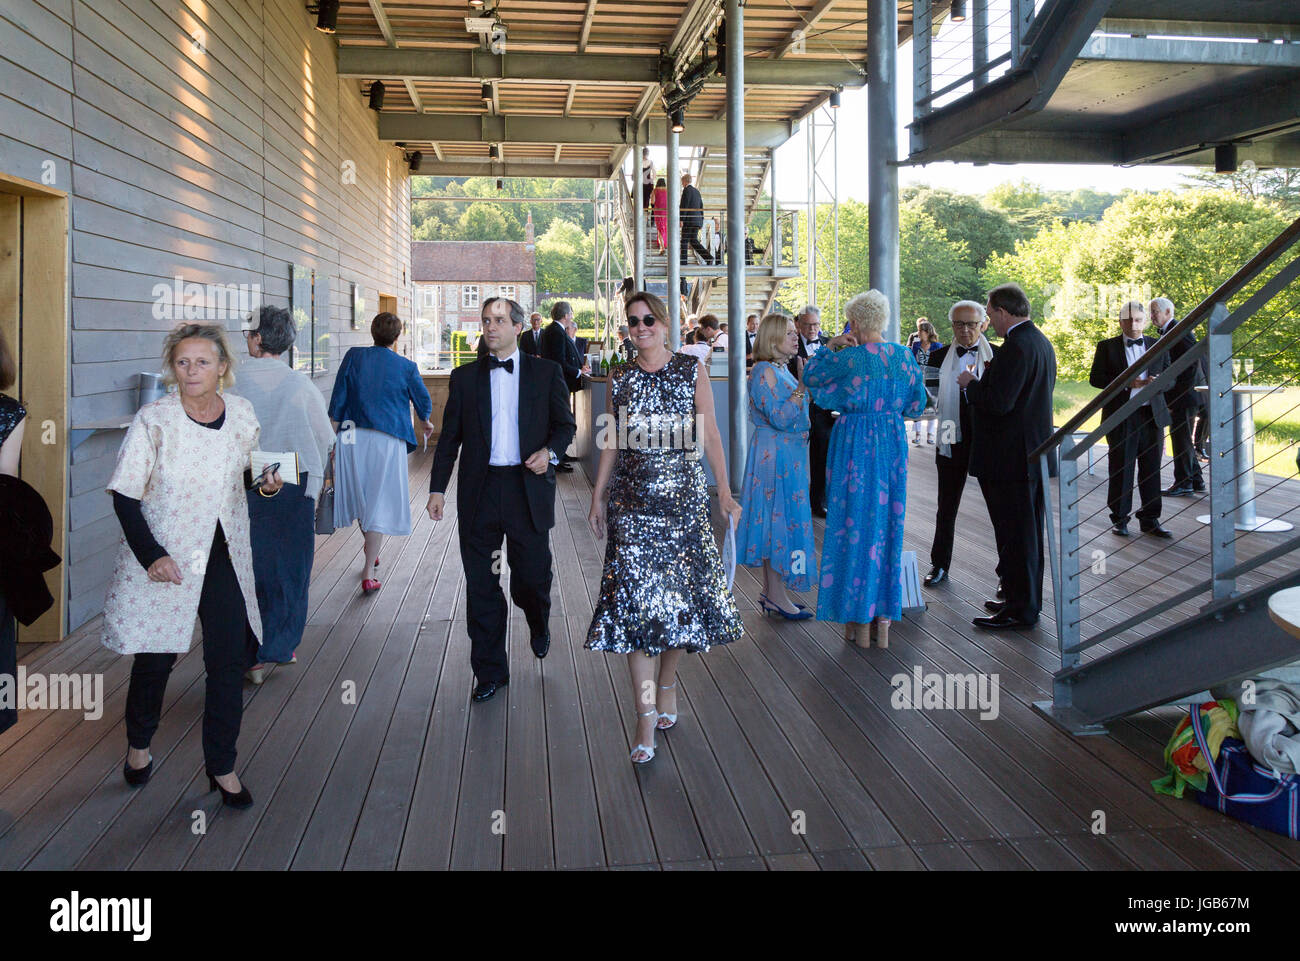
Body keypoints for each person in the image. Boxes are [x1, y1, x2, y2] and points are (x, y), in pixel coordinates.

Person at [104, 323, 284, 808]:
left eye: (202, 362)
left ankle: (222, 766)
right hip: (170, 555)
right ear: (173, 366)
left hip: (224, 552)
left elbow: (247, 473)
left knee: (226, 663)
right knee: (156, 656)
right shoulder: (154, 419)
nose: (191, 371)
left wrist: (265, 483)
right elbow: (124, 494)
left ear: (222, 367)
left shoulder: (241, 412)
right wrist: (152, 555)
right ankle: (139, 745)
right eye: (183, 362)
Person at [586, 291, 743, 764]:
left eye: (648, 319)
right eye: (633, 322)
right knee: (635, 609)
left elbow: (710, 431)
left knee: (679, 608)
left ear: (664, 322)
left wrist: (725, 490)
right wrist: (597, 495)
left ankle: (669, 682)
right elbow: (612, 437)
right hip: (632, 506)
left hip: (683, 504)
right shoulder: (622, 376)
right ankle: (645, 716)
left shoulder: (689, 369)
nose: (641, 327)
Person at [428, 297, 576, 703]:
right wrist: (437, 489)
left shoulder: (546, 374)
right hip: (480, 491)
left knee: (530, 576)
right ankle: (490, 671)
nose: (490, 326)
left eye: (498, 320)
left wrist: (551, 452)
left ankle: (537, 618)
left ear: (517, 327)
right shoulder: (464, 378)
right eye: (485, 320)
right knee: (481, 585)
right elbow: (449, 441)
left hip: (527, 487)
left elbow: (565, 426)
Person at [804, 291, 927, 649]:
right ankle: (883, 621)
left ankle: (856, 619)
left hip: (855, 441)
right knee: (887, 525)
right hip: (890, 441)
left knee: (852, 524)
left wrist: (831, 344)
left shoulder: (850, 358)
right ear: (883, 320)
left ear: (854, 323)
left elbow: (812, 376)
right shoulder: (904, 356)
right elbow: (917, 404)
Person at [230, 306, 335, 683]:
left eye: (248, 333)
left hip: (241, 481)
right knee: (289, 567)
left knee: (245, 568)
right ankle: (279, 645)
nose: (246, 338)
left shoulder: (231, 380)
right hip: (291, 481)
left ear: (258, 339)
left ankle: (250, 658)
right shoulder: (300, 384)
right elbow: (324, 438)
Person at [957, 283, 1057, 630]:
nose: (989, 322)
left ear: (1002, 311)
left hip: (1010, 458)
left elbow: (1000, 402)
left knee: (1016, 536)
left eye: (990, 314)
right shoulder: (1040, 342)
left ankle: (1020, 608)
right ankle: (1021, 598)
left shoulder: (1015, 348)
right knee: (1025, 535)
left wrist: (971, 383)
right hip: (1030, 456)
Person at [328, 312, 435, 595]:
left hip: (351, 436)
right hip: (386, 439)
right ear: (397, 337)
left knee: (362, 498)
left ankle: (370, 550)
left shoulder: (353, 357)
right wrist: (425, 420)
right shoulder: (406, 366)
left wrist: (331, 439)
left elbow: (338, 397)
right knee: (376, 501)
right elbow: (422, 399)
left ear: (372, 332)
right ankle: (367, 570)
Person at [736, 314, 817, 619]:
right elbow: (780, 417)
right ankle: (777, 595)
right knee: (777, 523)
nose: (797, 338)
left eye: (797, 333)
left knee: (780, 521)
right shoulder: (763, 371)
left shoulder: (779, 370)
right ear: (772, 339)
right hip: (775, 458)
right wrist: (801, 387)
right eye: (790, 333)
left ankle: (773, 593)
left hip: (789, 456)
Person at [923, 301, 996, 588]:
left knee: (998, 508)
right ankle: (939, 564)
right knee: (946, 505)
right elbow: (927, 399)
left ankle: (1006, 574)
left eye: (971, 324)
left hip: (987, 438)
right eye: (959, 324)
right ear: (951, 325)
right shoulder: (938, 356)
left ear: (983, 324)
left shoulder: (998, 357)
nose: (965, 330)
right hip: (951, 435)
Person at [1089, 300, 1172, 539]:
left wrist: (1159, 383)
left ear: (1145, 321)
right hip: (1121, 416)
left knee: (1151, 470)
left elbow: (1171, 378)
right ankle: (1120, 519)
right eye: (1128, 320)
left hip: (1151, 415)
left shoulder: (1159, 345)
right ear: (1120, 321)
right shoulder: (1107, 347)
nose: (1133, 324)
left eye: (1137, 319)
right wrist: (1127, 383)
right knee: (1121, 469)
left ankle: (1150, 519)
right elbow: (1096, 379)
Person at [1152, 297, 1206, 496]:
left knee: (1180, 439)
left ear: (1168, 313)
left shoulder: (1179, 331)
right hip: (1186, 395)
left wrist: (1173, 397)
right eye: (1151, 312)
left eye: (1155, 311)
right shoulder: (1172, 330)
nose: (1151, 316)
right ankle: (1196, 480)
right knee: (1183, 438)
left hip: (1184, 396)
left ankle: (1183, 483)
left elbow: (1191, 365)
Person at [789, 306, 832, 518]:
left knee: (822, 456)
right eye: (807, 324)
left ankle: (819, 502)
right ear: (798, 325)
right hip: (797, 409)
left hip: (823, 411)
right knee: (794, 455)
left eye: (815, 324)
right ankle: (793, 500)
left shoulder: (830, 345)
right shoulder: (790, 346)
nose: (812, 328)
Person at [540, 301, 589, 472]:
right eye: (571, 314)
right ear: (566, 315)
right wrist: (577, 371)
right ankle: (556, 459)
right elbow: (559, 360)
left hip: (558, 382)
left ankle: (560, 453)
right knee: (559, 421)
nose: (572, 316)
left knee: (559, 419)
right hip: (558, 382)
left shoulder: (554, 330)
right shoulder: (556, 332)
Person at [906, 319, 943, 446]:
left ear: (927, 332)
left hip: (932, 378)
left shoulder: (937, 346)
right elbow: (910, 361)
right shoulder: (916, 345)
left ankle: (930, 434)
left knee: (931, 406)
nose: (918, 333)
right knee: (917, 404)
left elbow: (939, 363)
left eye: (920, 331)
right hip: (917, 379)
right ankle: (917, 434)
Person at [679, 174, 710, 266]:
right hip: (697, 220)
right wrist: (701, 220)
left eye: (682, 182)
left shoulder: (686, 190)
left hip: (688, 221)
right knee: (693, 240)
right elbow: (701, 207)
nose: (682, 184)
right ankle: (708, 257)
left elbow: (685, 205)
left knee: (684, 241)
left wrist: (681, 219)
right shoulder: (697, 191)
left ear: (684, 181)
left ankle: (683, 263)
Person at [651, 177, 669, 253]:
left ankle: (662, 247)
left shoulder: (655, 191)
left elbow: (652, 202)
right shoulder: (668, 191)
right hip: (667, 211)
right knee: (666, 227)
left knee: (660, 228)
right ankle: (666, 244)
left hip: (658, 212)